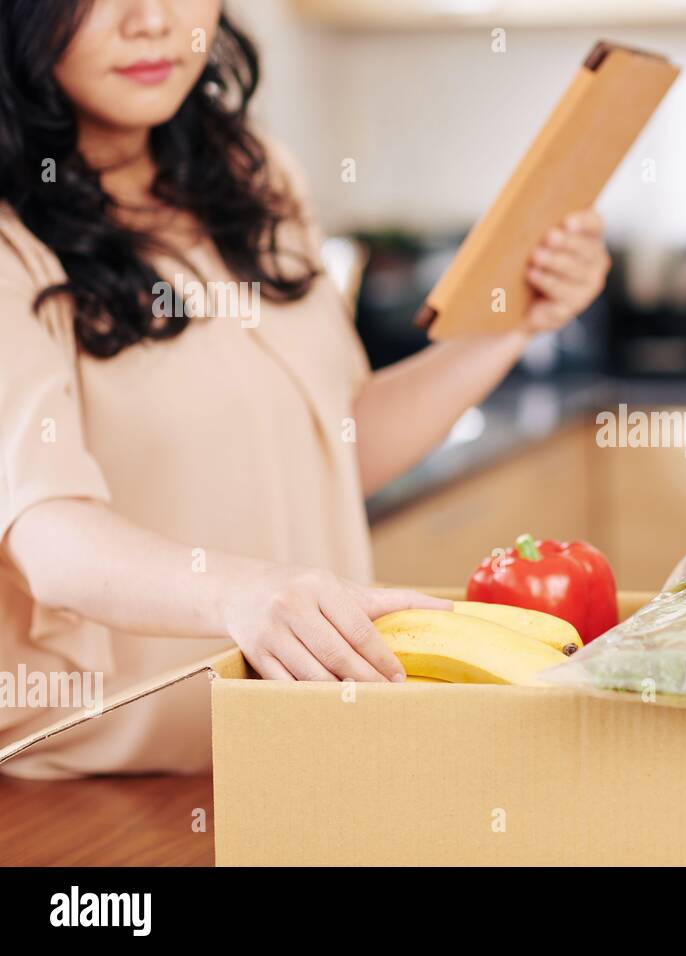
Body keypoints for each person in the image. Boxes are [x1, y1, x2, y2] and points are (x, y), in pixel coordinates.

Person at [0, 1, 610, 777]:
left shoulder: (255, 178)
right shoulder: (11, 238)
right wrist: (238, 593)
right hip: (97, 790)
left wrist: (517, 321)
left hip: (299, 761)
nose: (151, 20)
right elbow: (48, 537)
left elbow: (338, 444)